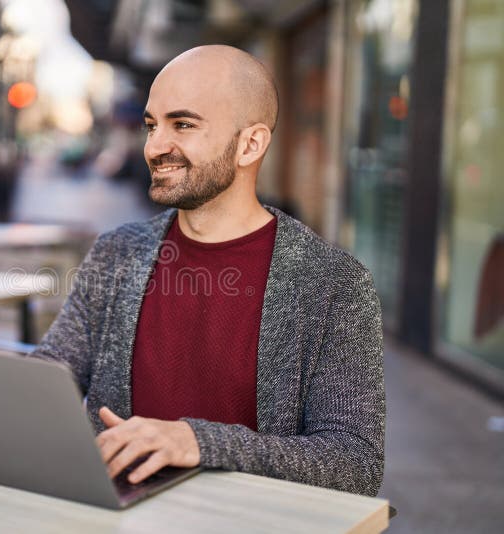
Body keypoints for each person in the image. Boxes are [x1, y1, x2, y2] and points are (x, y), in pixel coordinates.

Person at [30, 45, 384, 497]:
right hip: (117, 516)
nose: (155, 147)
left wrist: (199, 441)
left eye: (183, 125)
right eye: (151, 126)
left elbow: (355, 464)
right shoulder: (116, 254)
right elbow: (52, 374)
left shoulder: (333, 283)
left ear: (250, 144)